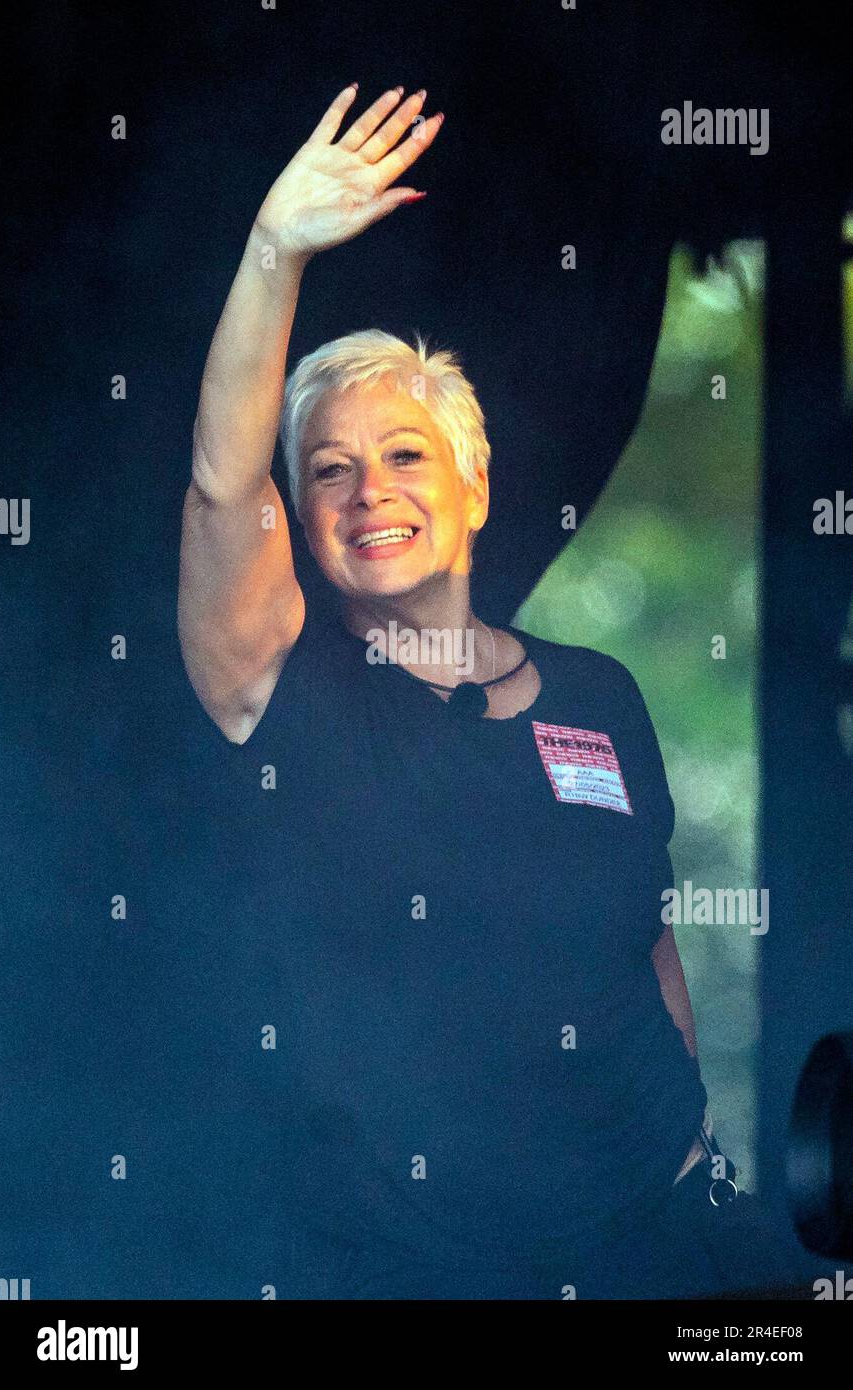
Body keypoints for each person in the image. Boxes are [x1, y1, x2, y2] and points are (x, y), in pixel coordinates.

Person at [177, 82, 802, 1299]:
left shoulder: (599, 694)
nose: (369, 490)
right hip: (419, 1272)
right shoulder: (279, 686)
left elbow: (644, 935)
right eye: (330, 471)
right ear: (299, 519)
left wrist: (698, 1153)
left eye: (405, 455)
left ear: (473, 485)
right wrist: (272, 251)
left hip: (663, 1243)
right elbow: (216, 484)